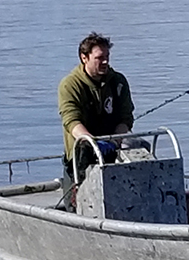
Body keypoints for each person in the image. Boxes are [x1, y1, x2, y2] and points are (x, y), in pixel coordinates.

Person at [57, 32, 134, 209]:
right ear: (84, 58)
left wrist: (114, 141)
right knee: (77, 206)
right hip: (80, 155)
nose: (105, 62)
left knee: (139, 145)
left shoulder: (118, 81)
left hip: (112, 149)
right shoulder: (70, 85)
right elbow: (71, 120)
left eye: (107, 57)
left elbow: (126, 117)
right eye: (100, 58)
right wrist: (92, 143)